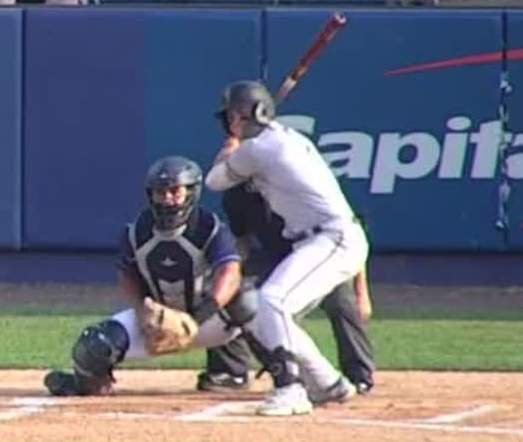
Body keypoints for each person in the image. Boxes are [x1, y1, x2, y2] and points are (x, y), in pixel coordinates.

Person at [204, 80, 365, 417]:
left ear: (239, 116)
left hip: (333, 238)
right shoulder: (286, 138)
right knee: (265, 311)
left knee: (271, 299)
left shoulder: (259, 149)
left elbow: (214, 180)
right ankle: (326, 381)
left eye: (231, 117)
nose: (228, 122)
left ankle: (290, 388)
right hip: (319, 240)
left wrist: (231, 147)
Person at [42, 156, 266, 397]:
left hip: (206, 319)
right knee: (94, 346)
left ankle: (266, 373)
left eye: (175, 191)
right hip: (158, 321)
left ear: (191, 192)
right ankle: (87, 386)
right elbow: (127, 274)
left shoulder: (209, 227)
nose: (168, 199)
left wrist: (197, 318)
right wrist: (142, 311)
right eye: (161, 192)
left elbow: (230, 272)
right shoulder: (135, 232)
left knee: (248, 300)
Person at [202, 182, 377, 394]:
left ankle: (358, 375)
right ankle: (242, 371)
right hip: (277, 259)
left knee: (341, 302)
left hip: (322, 254)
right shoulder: (237, 194)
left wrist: (362, 291)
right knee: (238, 296)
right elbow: (242, 238)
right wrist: (230, 273)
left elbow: (349, 232)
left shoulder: (296, 177)